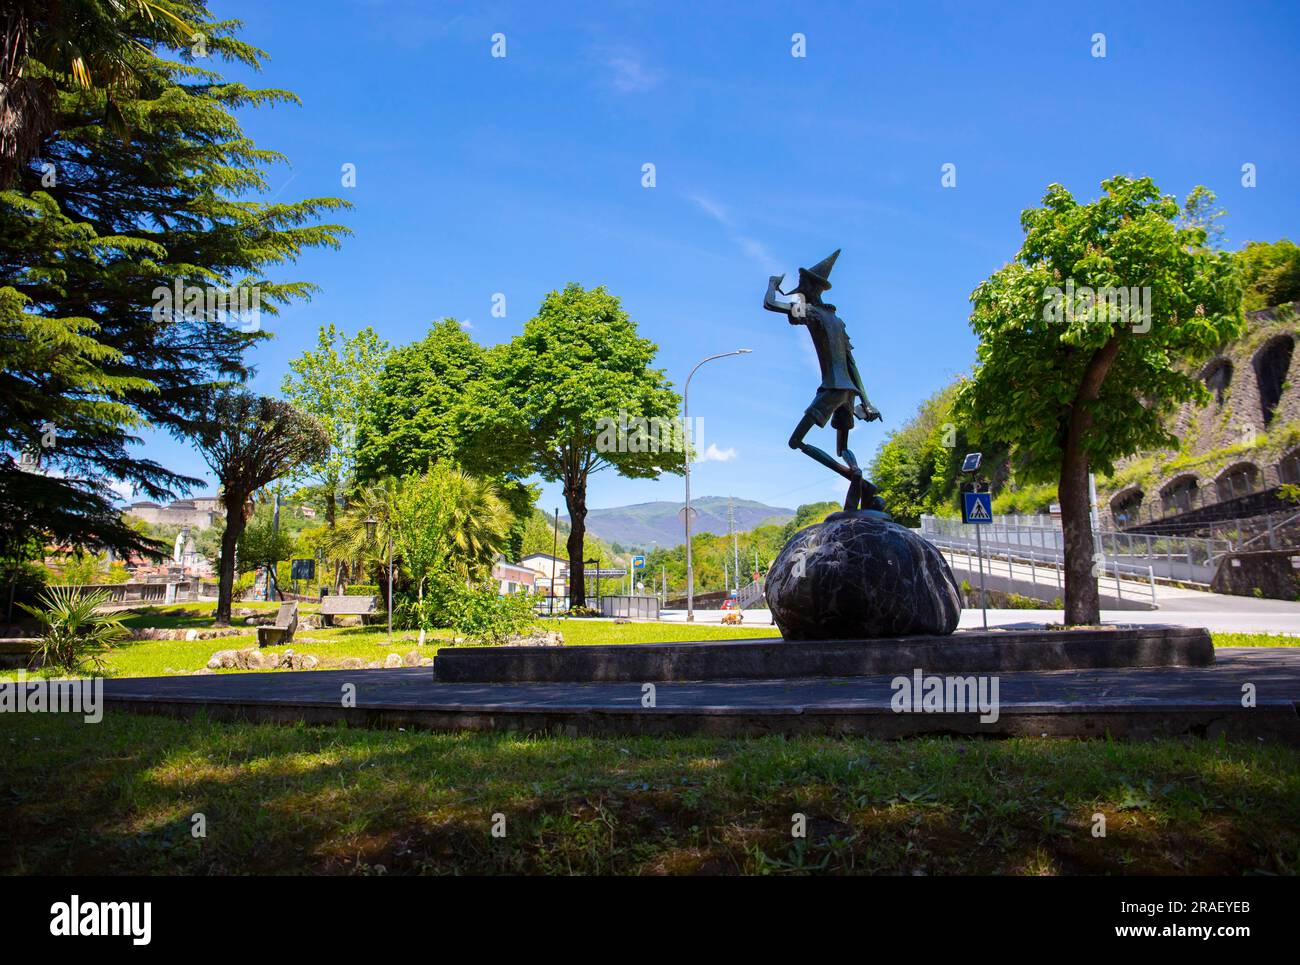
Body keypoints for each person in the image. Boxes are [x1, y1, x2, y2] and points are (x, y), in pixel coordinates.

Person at [763, 249, 886, 512]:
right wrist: (867, 400)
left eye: (803, 283)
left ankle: (854, 476)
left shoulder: (811, 312)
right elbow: (852, 364)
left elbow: (771, 303)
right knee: (843, 447)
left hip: (831, 388)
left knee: (796, 441)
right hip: (849, 392)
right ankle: (860, 479)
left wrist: (772, 284)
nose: (799, 287)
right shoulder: (838, 321)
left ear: (810, 287)